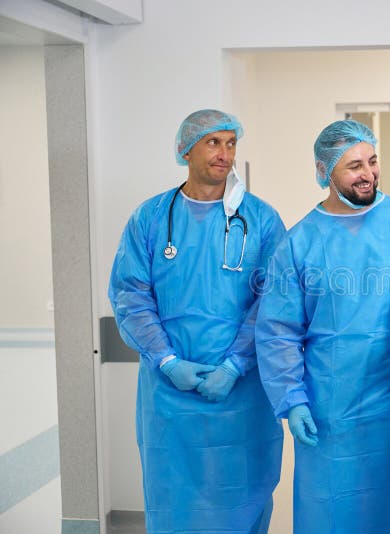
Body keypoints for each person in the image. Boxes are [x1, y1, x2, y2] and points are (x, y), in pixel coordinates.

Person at [255, 119, 390, 533]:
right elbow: (278, 331)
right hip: (328, 405)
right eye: (354, 166)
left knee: (387, 508)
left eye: (372, 161)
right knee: (328, 511)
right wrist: (292, 399)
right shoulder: (299, 242)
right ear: (325, 172)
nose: (368, 174)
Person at [108, 109, 285, 534]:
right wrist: (167, 361)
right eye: (213, 142)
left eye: (231, 143)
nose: (224, 153)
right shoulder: (151, 218)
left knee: (239, 494)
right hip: (169, 395)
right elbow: (131, 296)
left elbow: (274, 301)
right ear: (185, 150)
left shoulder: (261, 220)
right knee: (175, 498)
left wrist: (234, 365)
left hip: (240, 392)